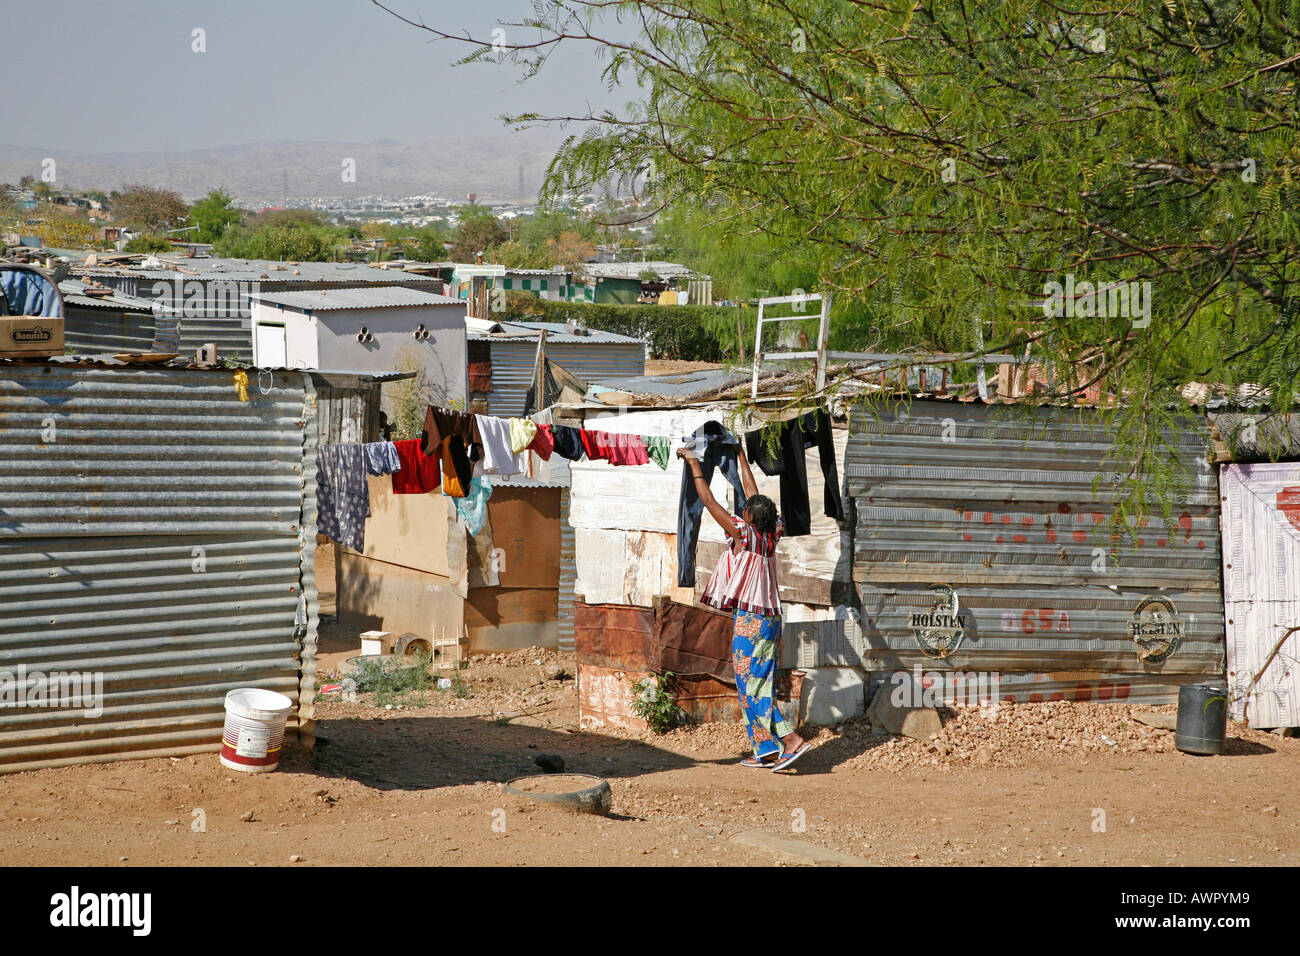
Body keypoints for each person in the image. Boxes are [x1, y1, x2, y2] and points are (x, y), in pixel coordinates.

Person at [677, 442, 811, 771]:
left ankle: (790, 740)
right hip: (770, 619)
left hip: (753, 620)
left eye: (747, 510)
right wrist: (739, 454)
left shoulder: (745, 534)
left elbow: (707, 501)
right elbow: (753, 493)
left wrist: (694, 463)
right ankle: (764, 747)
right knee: (748, 682)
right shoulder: (771, 533)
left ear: (749, 518)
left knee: (753, 684)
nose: (743, 510)